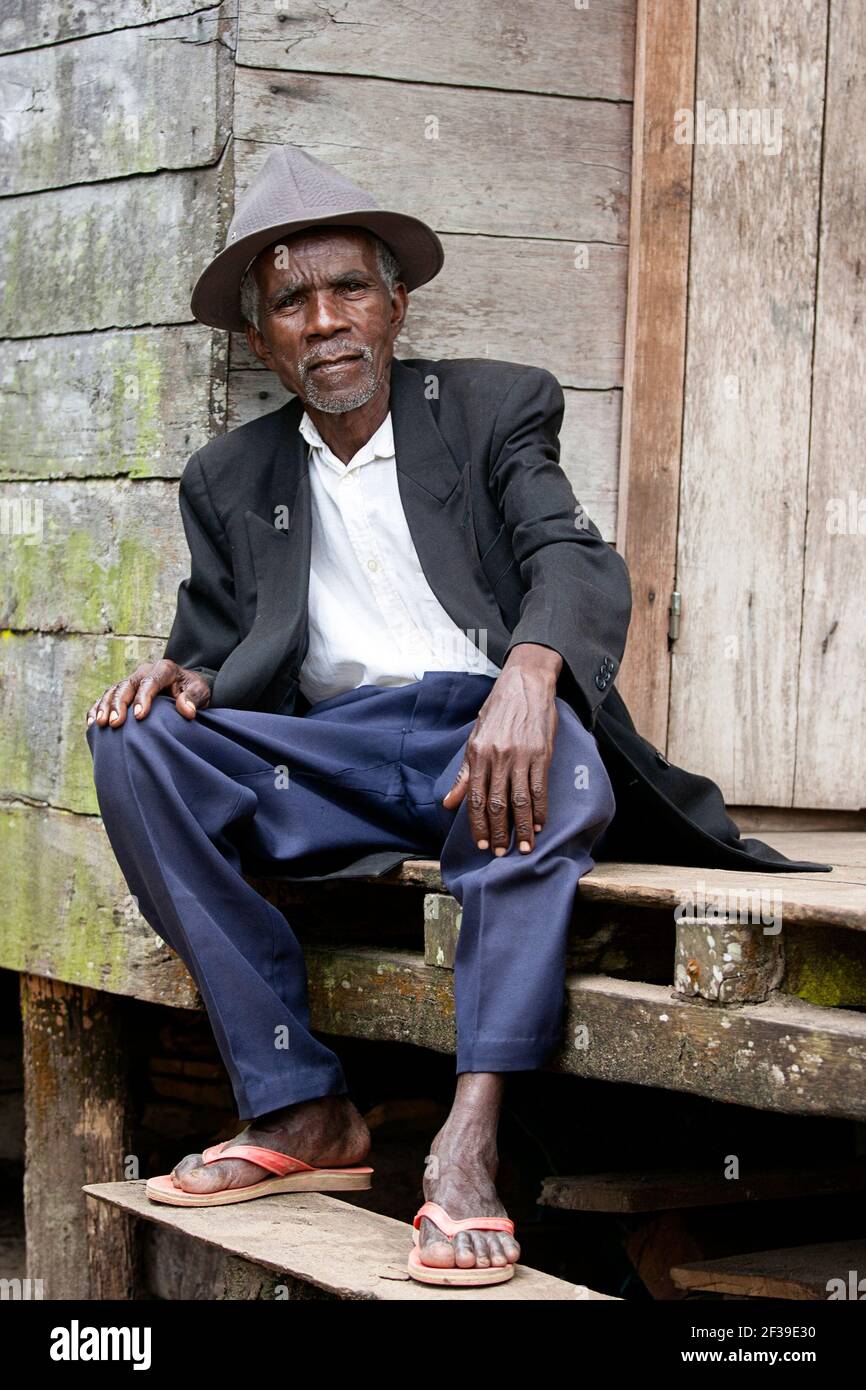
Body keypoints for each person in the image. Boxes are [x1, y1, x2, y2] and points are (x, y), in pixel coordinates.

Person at [85, 146, 827, 1288]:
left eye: (349, 290)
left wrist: (528, 677)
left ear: (397, 304)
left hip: (480, 734)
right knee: (131, 741)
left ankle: (468, 1140)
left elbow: (570, 559)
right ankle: (301, 1108)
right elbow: (220, 641)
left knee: (546, 777)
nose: (325, 320)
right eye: (291, 301)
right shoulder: (228, 475)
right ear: (258, 338)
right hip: (328, 756)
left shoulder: (487, 406)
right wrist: (179, 678)